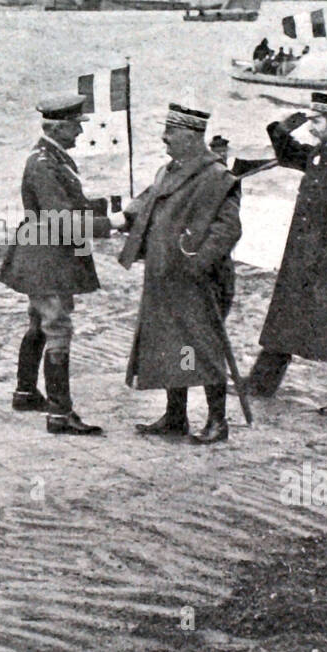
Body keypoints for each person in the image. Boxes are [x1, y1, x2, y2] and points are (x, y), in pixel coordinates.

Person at [119, 104, 241, 444]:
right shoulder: (168, 171)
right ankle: (176, 417)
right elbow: (142, 207)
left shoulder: (218, 178)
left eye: (171, 132)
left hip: (199, 280)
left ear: (190, 137)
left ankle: (218, 422)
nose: (164, 138)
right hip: (165, 277)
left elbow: (228, 230)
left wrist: (198, 265)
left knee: (204, 347)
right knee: (173, 344)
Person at [246, 92, 327, 415]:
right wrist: (279, 129)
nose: (312, 127)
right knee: (286, 315)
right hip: (304, 255)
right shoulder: (322, 152)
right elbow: (289, 154)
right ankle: (262, 382)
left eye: (317, 121)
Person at [0, 92, 111, 435]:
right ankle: (60, 414)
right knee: (58, 327)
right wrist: (115, 223)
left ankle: (26, 391)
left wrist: (107, 205)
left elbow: (69, 205)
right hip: (49, 255)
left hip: (41, 253)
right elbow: (63, 220)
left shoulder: (52, 157)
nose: (80, 131)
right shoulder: (45, 164)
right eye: (76, 124)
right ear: (58, 126)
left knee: (39, 323)